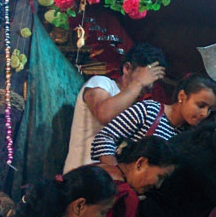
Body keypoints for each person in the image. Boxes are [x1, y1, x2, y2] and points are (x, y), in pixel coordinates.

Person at [64, 43, 166, 173]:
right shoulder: (102, 83)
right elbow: (104, 114)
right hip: (81, 175)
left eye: (153, 80)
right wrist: (138, 83)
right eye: (148, 76)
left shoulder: (137, 106)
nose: (150, 85)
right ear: (127, 68)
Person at [90, 73, 216, 167]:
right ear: (182, 96)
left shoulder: (188, 136)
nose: (204, 114)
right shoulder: (149, 110)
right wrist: (116, 173)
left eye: (209, 109)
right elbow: (105, 137)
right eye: (201, 105)